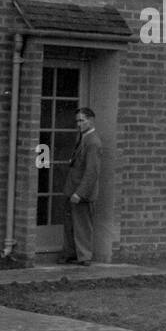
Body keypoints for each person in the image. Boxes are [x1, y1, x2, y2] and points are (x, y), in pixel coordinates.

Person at [60, 107, 102, 266]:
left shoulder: (93, 142)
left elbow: (92, 171)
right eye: (77, 121)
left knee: (82, 226)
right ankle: (71, 254)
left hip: (81, 193)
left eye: (82, 120)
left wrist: (80, 193)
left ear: (91, 120)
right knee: (71, 225)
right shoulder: (83, 139)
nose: (79, 124)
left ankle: (84, 257)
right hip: (72, 189)